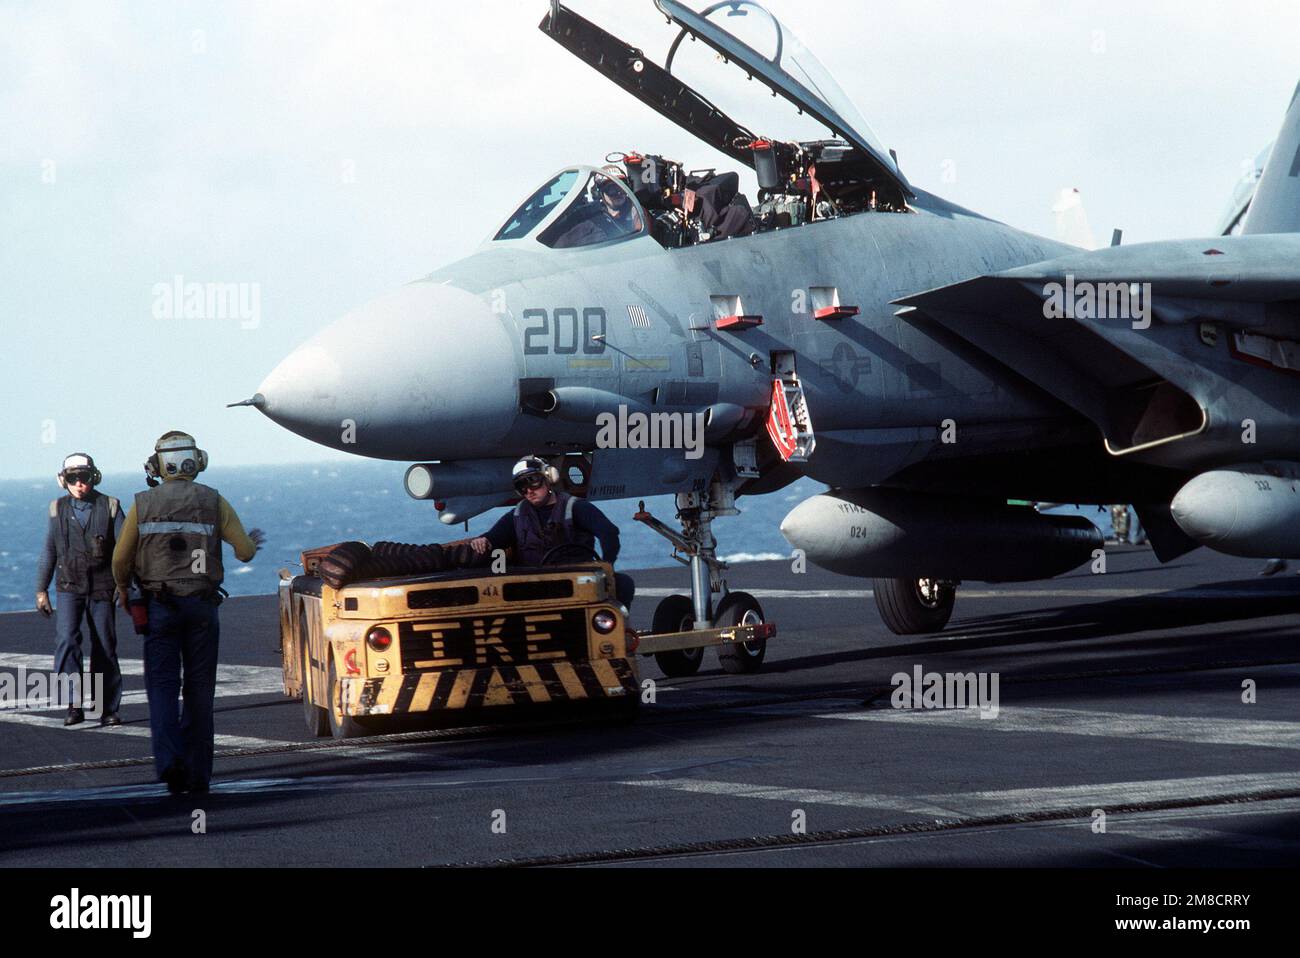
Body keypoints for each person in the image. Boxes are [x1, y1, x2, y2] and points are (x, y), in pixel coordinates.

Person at [111, 431, 263, 794]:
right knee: (199, 689)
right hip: (201, 608)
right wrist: (250, 543)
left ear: (157, 466)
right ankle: (198, 775)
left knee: (162, 687)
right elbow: (244, 552)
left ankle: (170, 763)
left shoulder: (143, 503)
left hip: (159, 608)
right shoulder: (213, 500)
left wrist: (123, 590)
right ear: (198, 462)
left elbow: (119, 559)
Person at [469, 456, 635, 609]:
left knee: (623, 584)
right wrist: (482, 541)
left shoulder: (575, 507)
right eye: (523, 487)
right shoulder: (517, 515)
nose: (529, 491)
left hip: (576, 580)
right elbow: (494, 538)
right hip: (534, 583)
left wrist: (607, 565)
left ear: (549, 478)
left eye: (533, 481)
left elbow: (608, 533)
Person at [35, 453, 125, 726]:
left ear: (93, 477)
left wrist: (124, 583)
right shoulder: (56, 509)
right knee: (67, 641)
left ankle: (106, 708)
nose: (79, 484)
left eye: (83, 478)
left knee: (105, 645)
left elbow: (124, 549)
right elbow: (49, 550)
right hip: (69, 586)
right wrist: (41, 589)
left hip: (102, 587)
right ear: (64, 480)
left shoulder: (110, 506)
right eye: (72, 478)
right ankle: (73, 706)